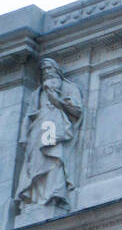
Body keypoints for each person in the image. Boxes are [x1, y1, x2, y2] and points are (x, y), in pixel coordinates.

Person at [16, 59, 82, 212]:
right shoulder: (37, 94)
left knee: (54, 155)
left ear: (57, 71)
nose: (47, 72)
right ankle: (37, 197)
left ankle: (55, 193)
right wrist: (23, 136)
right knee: (37, 161)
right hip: (38, 128)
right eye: (44, 70)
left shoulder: (69, 87)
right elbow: (29, 116)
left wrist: (57, 101)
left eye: (50, 69)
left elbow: (77, 110)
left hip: (53, 125)